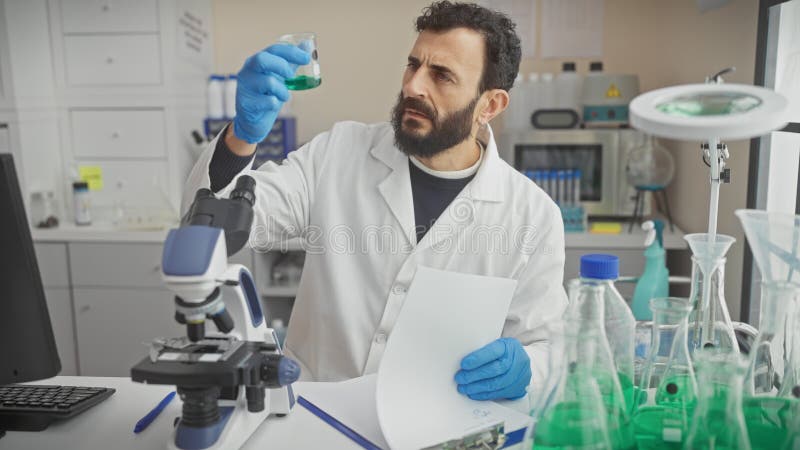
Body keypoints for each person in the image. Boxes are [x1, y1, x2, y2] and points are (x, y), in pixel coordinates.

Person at [184, 1, 567, 404]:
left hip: (438, 427)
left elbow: (546, 347)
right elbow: (206, 232)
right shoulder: (338, 152)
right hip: (312, 417)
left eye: (441, 75)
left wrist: (527, 367)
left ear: (489, 105)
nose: (414, 86)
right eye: (413, 64)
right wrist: (241, 137)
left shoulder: (532, 215)